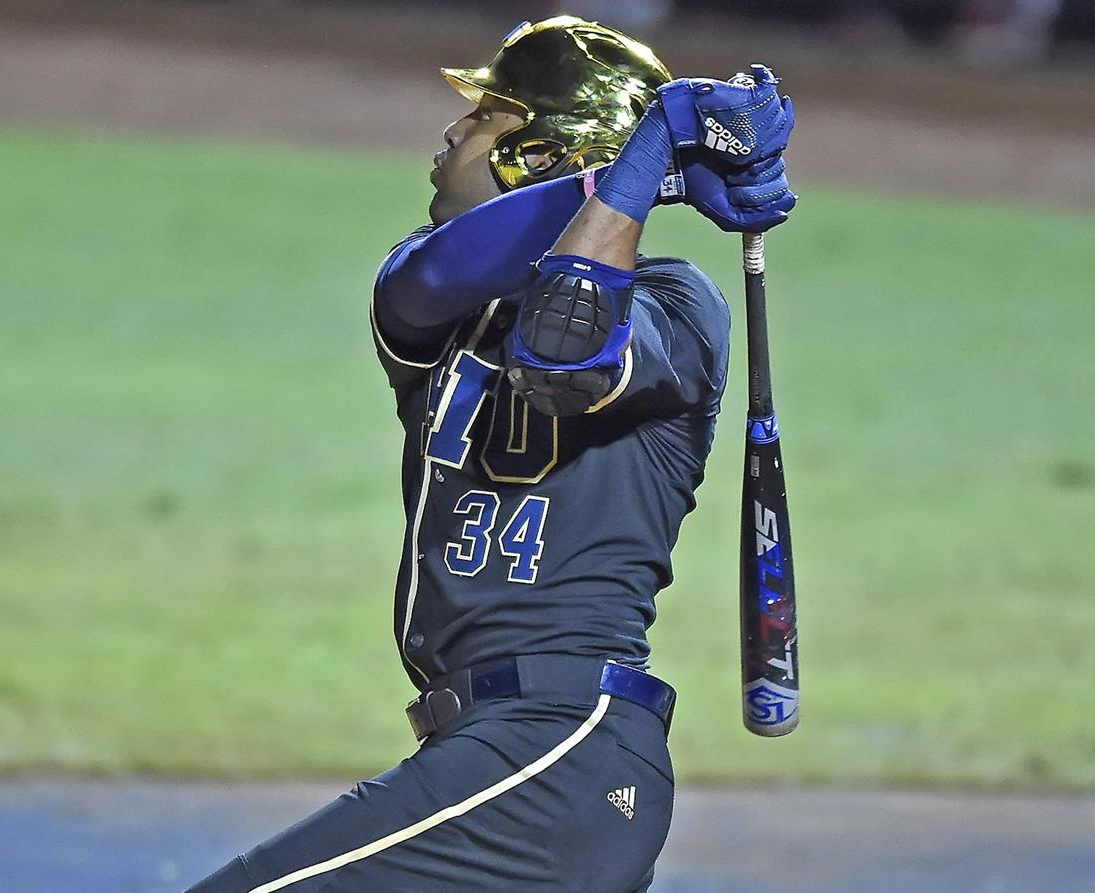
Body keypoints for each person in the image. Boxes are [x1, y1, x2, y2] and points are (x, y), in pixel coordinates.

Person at [187, 16, 795, 893]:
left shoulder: (679, 307)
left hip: (556, 748)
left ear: (539, 153)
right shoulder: (438, 303)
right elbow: (427, 281)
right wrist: (643, 163)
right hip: (498, 754)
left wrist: (642, 165)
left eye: (488, 116)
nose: (452, 132)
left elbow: (565, 348)